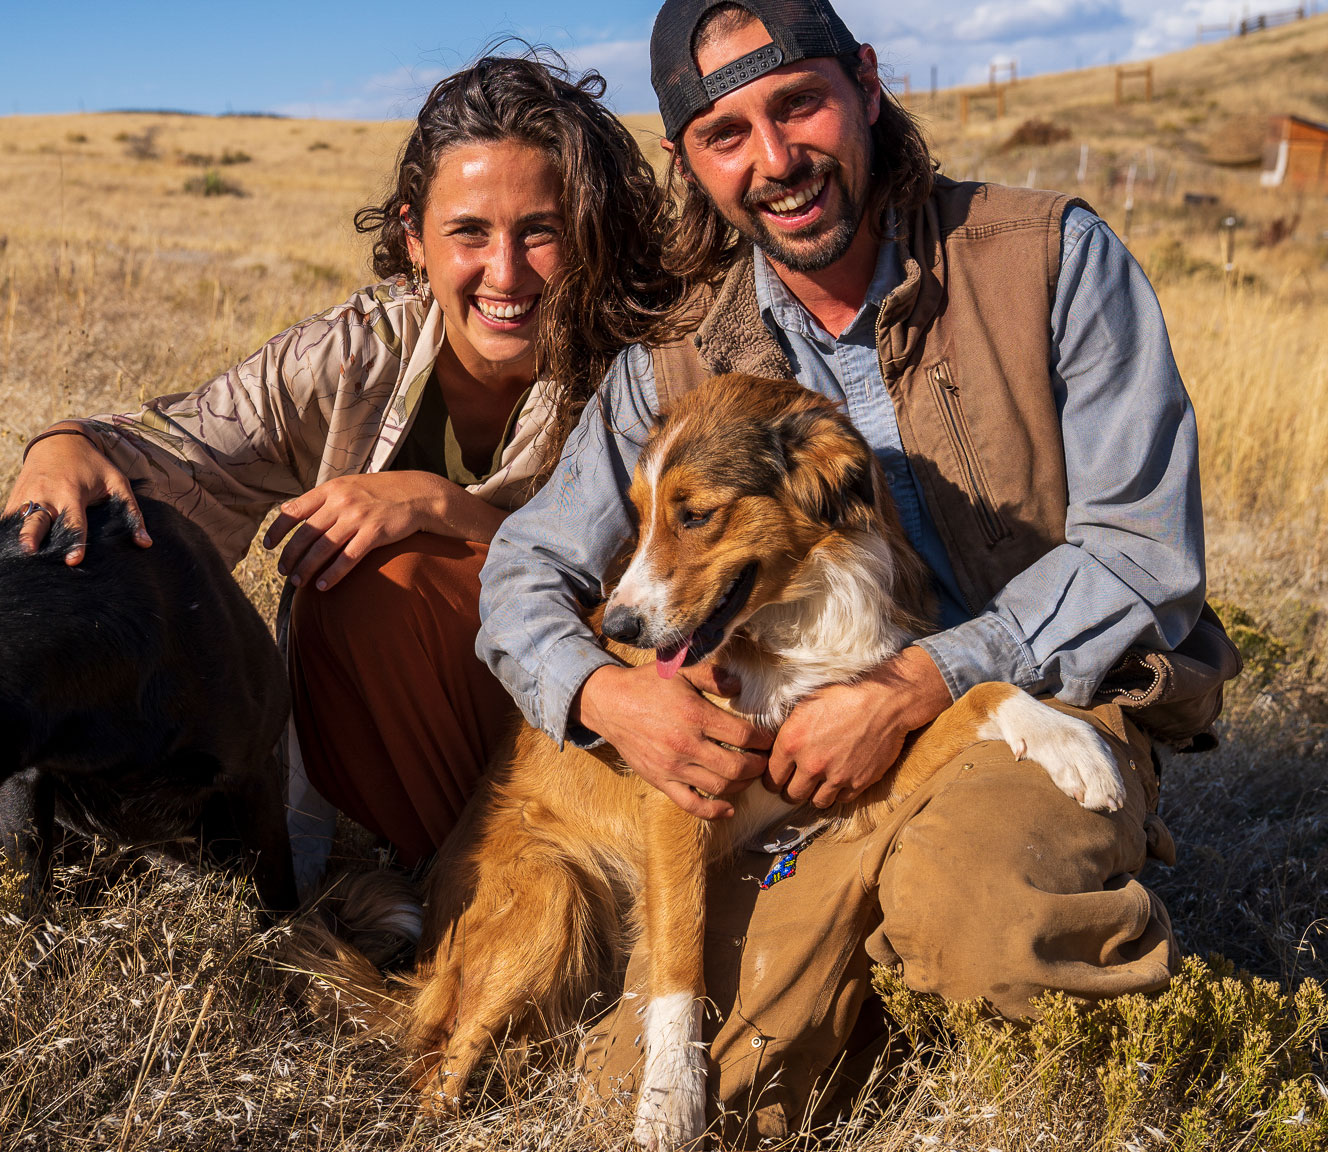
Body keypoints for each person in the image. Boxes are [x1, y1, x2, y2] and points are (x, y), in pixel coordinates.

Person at [477, 0, 1239, 1139]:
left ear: (867, 86)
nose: (775, 160)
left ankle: (1054, 966)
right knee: (662, 1098)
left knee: (979, 919)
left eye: (798, 105)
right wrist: (603, 696)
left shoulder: (1048, 259)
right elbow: (522, 570)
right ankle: (874, 965)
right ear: (688, 159)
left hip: (1031, 707)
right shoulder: (672, 362)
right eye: (726, 134)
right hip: (793, 766)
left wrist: (916, 686)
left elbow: (1144, 554)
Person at [4, 54, 687, 885]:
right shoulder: (357, 351)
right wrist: (62, 445)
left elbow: (656, 590)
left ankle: (516, 881)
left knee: (388, 574)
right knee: (296, 575)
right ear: (414, 237)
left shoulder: (643, 368)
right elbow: (186, 454)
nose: (506, 273)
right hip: (432, 738)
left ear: (589, 231)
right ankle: (449, 876)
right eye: (469, 232)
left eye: (540, 231)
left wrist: (444, 508)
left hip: (606, 726)